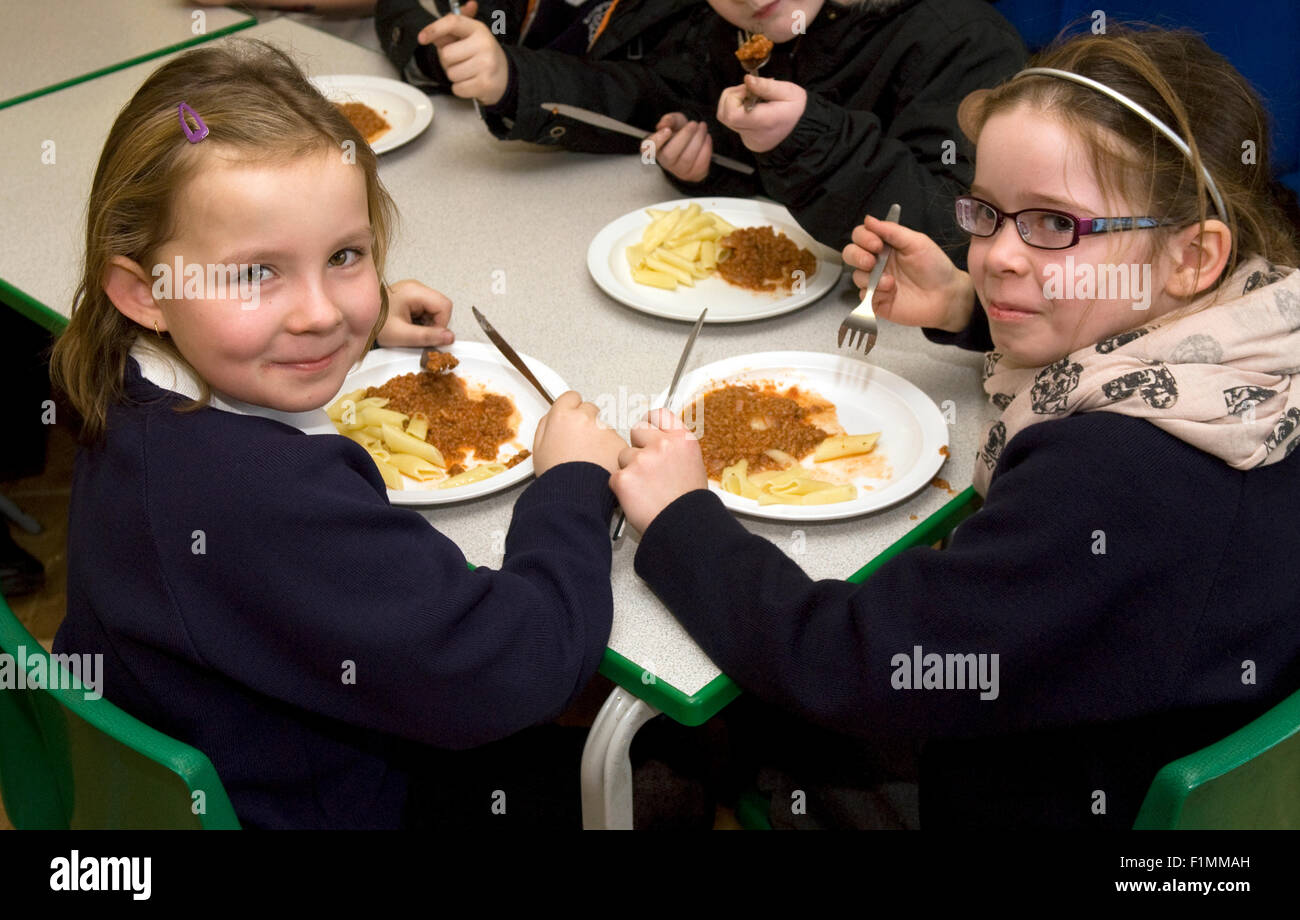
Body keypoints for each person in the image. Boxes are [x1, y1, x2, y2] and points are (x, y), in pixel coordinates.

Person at [608, 25, 1300, 828]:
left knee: (722, 732)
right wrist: (972, 311)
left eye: (1053, 225)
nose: (997, 255)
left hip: (1040, 794)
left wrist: (681, 521)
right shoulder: (1260, 335)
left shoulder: (1109, 478)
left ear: (1193, 255)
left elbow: (856, 663)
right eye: (987, 213)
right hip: (1162, 744)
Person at [48, 40, 626, 829]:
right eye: (259, 272)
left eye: (344, 256)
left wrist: (354, 325)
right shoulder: (263, 495)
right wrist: (570, 485)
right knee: (662, 776)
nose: (320, 311)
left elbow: (282, 319)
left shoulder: (117, 372)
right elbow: (519, 669)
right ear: (144, 294)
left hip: (216, 756)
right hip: (332, 803)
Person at [406, 0, 1025, 252]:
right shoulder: (725, 34)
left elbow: (966, 232)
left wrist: (810, 138)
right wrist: (510, 78)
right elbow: (647, 98)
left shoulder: (960, 39)